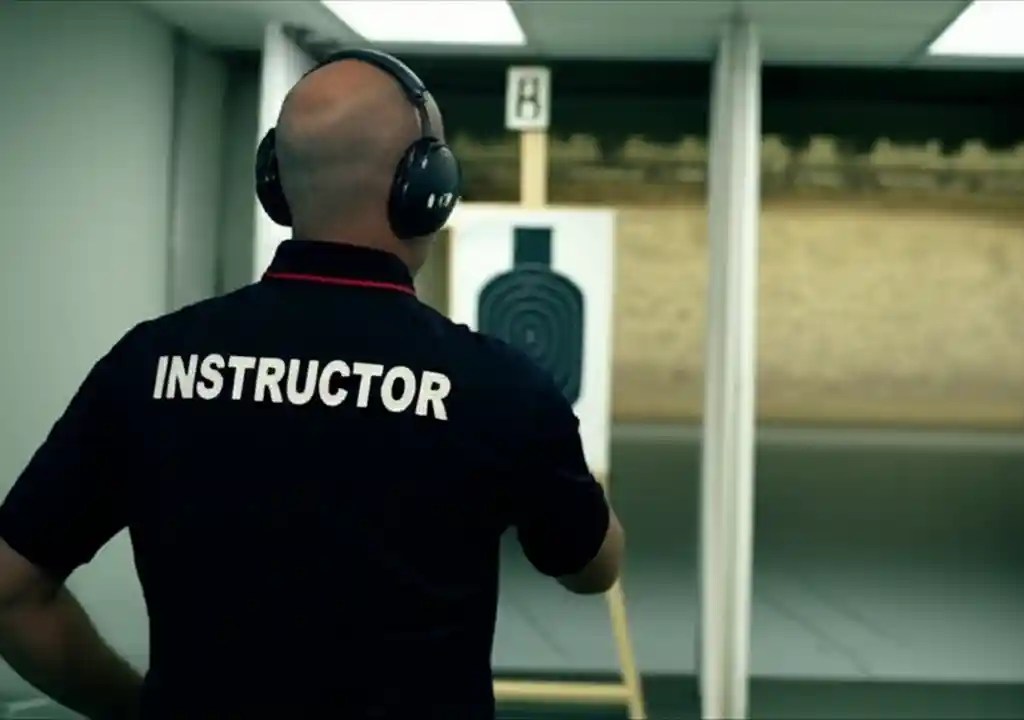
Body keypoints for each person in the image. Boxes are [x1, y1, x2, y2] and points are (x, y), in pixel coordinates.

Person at [0, 49, 624, 719]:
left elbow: (10, 591)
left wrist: (142, 710)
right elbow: (590, 567)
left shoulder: (149, 363)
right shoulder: (500, 386)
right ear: (425, 187)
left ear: (277, 178)